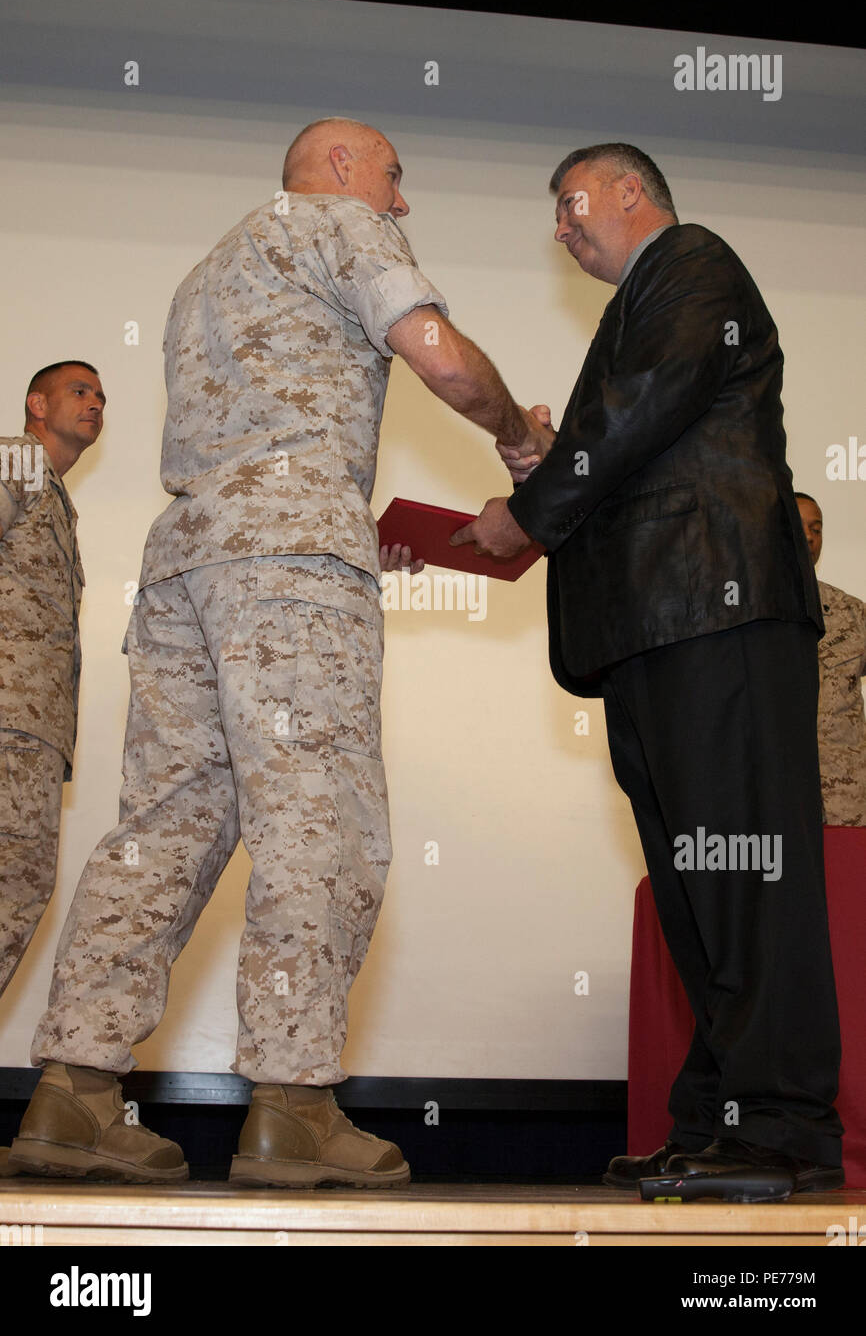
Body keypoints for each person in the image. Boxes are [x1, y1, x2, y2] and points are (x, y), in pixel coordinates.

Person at [9, 118, 548, 1188]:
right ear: (342, 166)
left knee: (162, 826)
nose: (399, 204)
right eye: (395, 177)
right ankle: (294, 1101)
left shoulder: (208, 271)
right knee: (320, 814)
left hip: (185, 564)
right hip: (291, 561)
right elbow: (433, 351)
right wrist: (514, 437)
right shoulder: (341, 224)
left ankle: (73, 1091)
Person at [455, 142, 844, 1195]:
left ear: (632, 191)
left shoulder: (691, 262)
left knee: (746, 875)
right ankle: (721, 1118)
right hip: (655, 628)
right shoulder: (642, 303)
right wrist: (550, 458)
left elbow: (640, 409)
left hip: (716, 613)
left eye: (570, 201)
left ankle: (783, 1127)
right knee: (694, 890)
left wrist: (528, 512)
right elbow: (628, 432)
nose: (560, 226)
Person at [0, 360, 103, 1176]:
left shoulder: (57, 501)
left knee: (17, 894)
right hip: (6, 726)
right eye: (79, 390)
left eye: (101, 396)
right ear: (37, 405)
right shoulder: (18, 461)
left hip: (31, 736)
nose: (95, 402)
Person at [796, 491, 866, 825]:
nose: (809, 535)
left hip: (848, 801)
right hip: (781, 798)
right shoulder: (747, 617)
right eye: (798, 525)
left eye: (817, 528)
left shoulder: (851, 612)